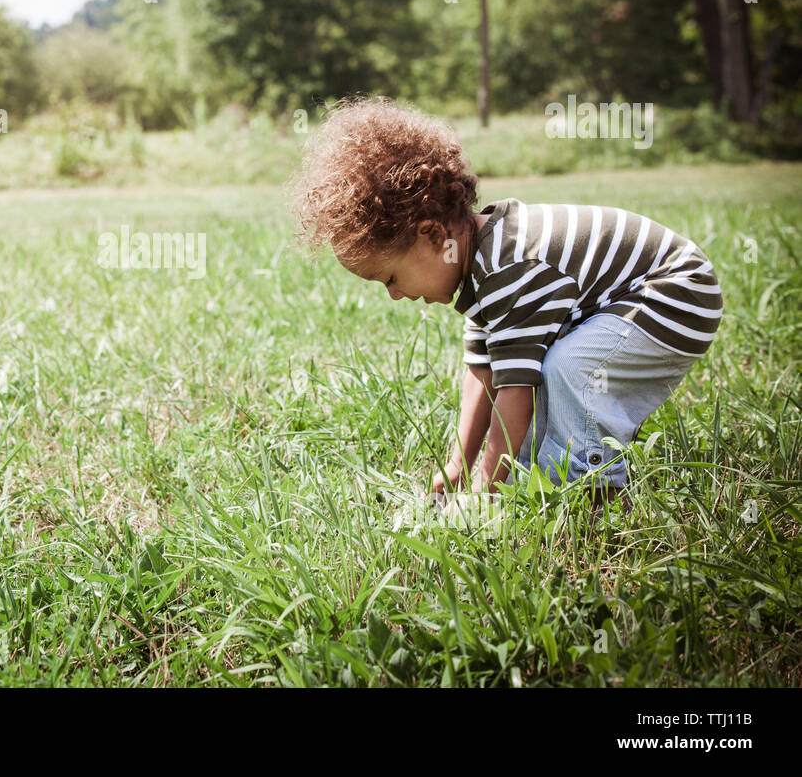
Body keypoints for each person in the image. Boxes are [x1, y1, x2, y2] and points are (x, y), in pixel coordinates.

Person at [288, 96, 723, 510]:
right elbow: (484, 373)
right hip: (634, 299)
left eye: (391, 278)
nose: (395, 294)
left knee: (567, 370)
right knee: (540, 402)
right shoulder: (479, 269)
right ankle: (541, 484)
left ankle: (594, 490)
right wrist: (457, 467)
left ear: (431, 235)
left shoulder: (506, 270)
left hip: (674, 294)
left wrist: (482, 494)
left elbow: (516, 392)